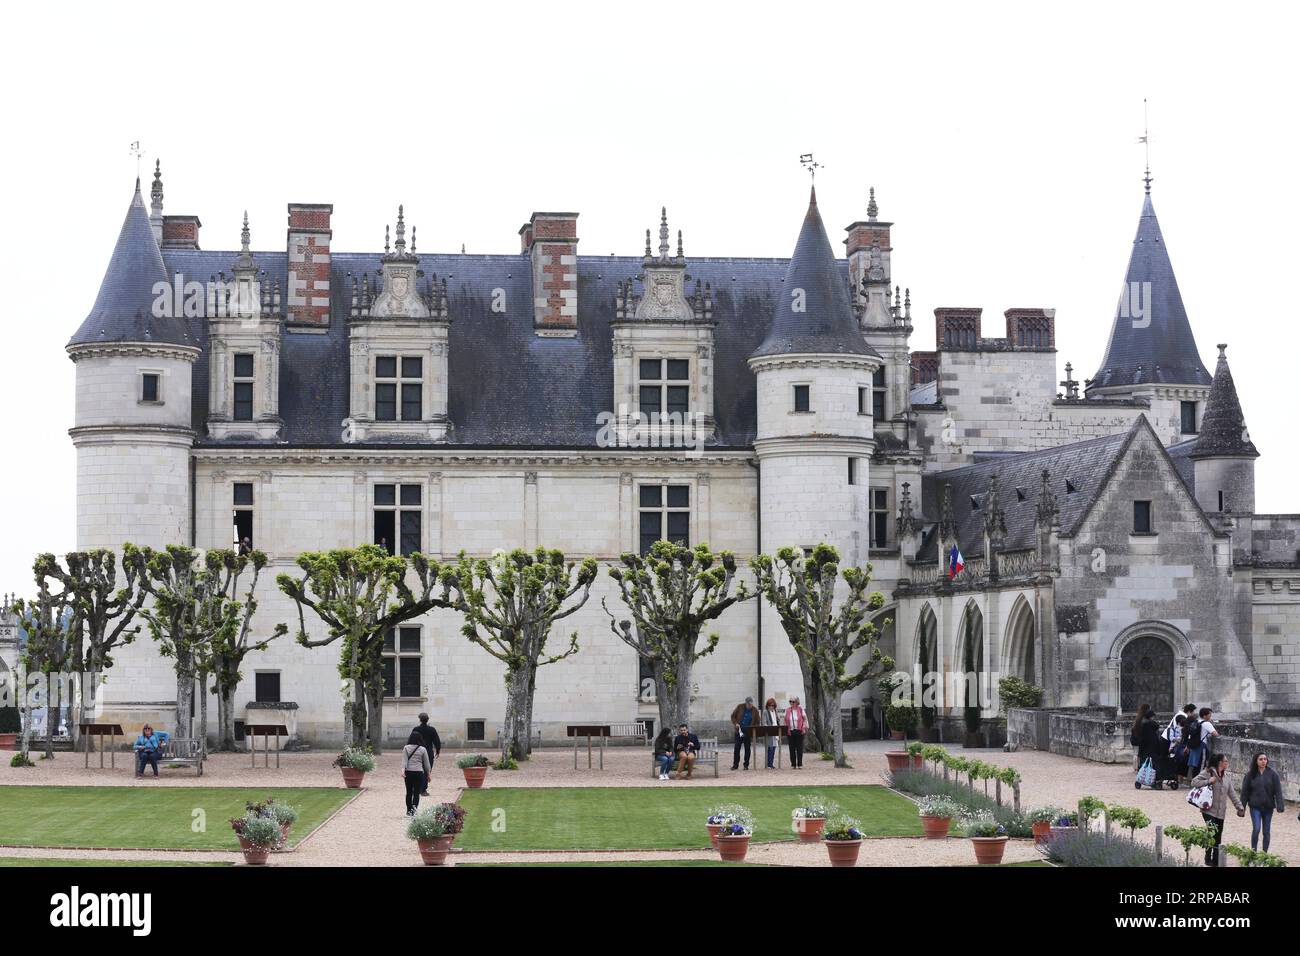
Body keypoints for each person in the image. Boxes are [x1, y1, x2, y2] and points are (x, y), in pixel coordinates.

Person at [1190, 754, 1245, 866]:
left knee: (1218, 835)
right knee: (1212, 833)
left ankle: (1216, 859)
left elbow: (1232, 794)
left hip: (1221, 812)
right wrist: (1208, 781)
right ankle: (1207, 857)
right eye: (1225, 761)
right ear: (1220, 762)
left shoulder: (1226, 778)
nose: (1227, 763)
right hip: (1208, 810)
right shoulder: (1208, 772)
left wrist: (1240, 807)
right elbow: (1194, 782)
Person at [1240, 752, 1285, 852]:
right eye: (1261, 759)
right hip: (1255, 807)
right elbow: (1244, 792)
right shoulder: (1250, 775)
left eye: (1265, 759)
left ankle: (1264, 854)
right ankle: (1253, 852)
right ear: (1256, 761)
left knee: (1266, 832)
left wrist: (1280, 805)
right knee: (1256, 829)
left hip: (1268, 808)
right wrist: (1241, 808)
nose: (1263, 761)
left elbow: (1278, 791)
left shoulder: (1273, 774)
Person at [1133, 704, 1166, 789]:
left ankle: (1140, 779)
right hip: (1152, 749)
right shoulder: (1150, 725)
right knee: (1153, 765)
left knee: (1144, 764)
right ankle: (1153, 780)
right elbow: (1156, 728)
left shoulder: (1142, 724)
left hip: (1144, 748)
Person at [401, 731, 431, 816]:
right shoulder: (422, 749)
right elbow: (426, 763)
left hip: (408, 772)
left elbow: (404, 761)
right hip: (418, 772)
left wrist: (402, 771)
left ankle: (408, 810)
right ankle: (414, 810)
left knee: (409, 792)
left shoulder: (406, 748)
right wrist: (428, 774)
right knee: (416, 792)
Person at [412, 713, 442, 796]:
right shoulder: (432, 729)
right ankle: (423, 789)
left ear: (420, 720)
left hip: (417, 751)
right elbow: (437, 741)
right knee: (427, 770)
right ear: (427, 720)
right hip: (428, 751)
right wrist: (438, 750)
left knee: (417, 770)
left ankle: (417, 788)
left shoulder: (416, 729)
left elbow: (412, 740)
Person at [730, 696, 760, 770]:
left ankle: (746, 765)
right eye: (748, 704)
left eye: (751, 704)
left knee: (747, 749)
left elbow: (757, 722)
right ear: (746, 703)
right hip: (739, 730)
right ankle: (735, 765)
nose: (750, 706)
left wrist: (753, 728)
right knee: (737, 748)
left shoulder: (755, 710)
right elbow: (733, 716)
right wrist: (735, 723)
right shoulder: (740, 707)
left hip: (748, 731)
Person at [785, 695, 808, 769]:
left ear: (797, 702)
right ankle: (793, 764)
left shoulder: (801, 709)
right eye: (790, 701)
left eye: (793, 701)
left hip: (799, 730)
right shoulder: (788, 710)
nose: (791, 703)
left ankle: (800, 764)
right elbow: (785, 720)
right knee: (791, 748)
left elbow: (805, 719)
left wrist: (804, 727)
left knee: (799, 748)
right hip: (790, 731)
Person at [761, 698, 780, 769]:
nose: (772, 707)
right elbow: (764, 722)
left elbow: (777, 721)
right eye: (770, 705)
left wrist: (778, 717)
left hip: (776, 731)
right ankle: (768, 764)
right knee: (770, 748)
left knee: (774, 748)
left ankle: (771, 763)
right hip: (769, 732)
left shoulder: (775, 711)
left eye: (773, 705)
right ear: (767, 705)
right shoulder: (765, 712)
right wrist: (767, 727)